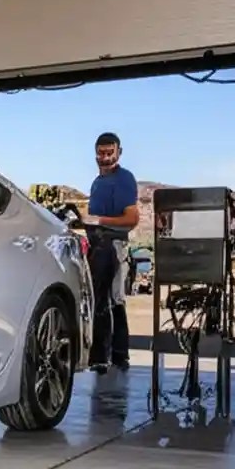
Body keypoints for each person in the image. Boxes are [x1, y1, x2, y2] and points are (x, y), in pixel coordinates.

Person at [83, 131, 139, 373]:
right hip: (97, 245)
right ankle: (109, 356)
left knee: (111, 300)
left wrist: (98, 220)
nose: (104, 158)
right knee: (101, 299)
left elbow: (131, 218)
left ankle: (112, 355)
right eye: (100, 153)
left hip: (114, 245)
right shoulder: (97, 182)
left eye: (109, 153)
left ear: (119, 153)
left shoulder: (124, 179)